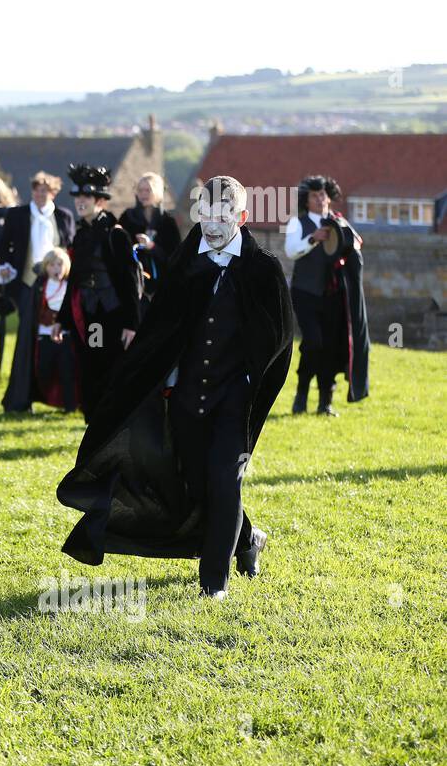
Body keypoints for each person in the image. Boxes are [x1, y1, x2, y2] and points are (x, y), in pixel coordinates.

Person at [57, 176, 293, 599]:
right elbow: (162, 328)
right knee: (197, 482)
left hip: (233, 399)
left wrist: (249, 380)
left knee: (226, 477)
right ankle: (249, 537)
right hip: (184, 397)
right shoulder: (187, 261)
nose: (214, 224)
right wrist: (161, 381)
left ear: (241, 217)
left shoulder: (262, 268)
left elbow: (278, 336)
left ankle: (213, 583)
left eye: (225, 216)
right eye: (207, 214)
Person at [49, 164, 142, 422]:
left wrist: (131, 324)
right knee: (90, 367)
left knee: (112, 370)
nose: (80, 202)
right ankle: (94, 422)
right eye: (78, 197)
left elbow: (130, 282)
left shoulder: (117, 236)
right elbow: (75, 283)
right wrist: (62, 320)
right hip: (91, 317)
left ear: (100, 201)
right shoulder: (80, 236)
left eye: (86, 197)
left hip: (114, 316)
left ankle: (113, 426)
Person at [283, 174, 370, 415]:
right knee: (313, 342)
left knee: (330, 346)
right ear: (306, 200)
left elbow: (357, 242)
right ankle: (301, 395)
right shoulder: (297, 224)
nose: (320, 199)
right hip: (305, 293)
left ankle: (325, 402)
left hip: (333, 295)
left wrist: (347, 242)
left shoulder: (338, 221)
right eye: (314, 195)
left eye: (323, 194)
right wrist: (313, 238)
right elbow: (291, 251)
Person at [0, 170, 75, 412]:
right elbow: (3, 248)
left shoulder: (64, 216)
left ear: (53, 193)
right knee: (26, 341)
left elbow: (69, 248)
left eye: (46, 191)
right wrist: (6, 276)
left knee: (59, 342)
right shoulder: (17, 214)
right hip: (27, 286)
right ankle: (22, 398)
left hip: (57, 287)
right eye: (37, 191)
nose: (41, 195)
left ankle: (65, 399)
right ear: (32, 191)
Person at [18, 247, 78, 412]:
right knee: (42, 371)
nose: (56, 268)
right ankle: (34, 399)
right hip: (43, 336)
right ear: (46, 267)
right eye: (51, 265)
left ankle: (70, 406)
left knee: (67, 372)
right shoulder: (40, 286)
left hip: (65, 338)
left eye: (59, 264)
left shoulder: (70, 286)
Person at [119, 172, 180, 301]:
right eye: (140, 190)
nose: (143, 194)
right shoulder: (127, 218)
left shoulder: (167, 221)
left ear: (157, 192)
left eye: (148, 190)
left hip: (161, 285)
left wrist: (152, 247)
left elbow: (175, 255)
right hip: (133, 283)